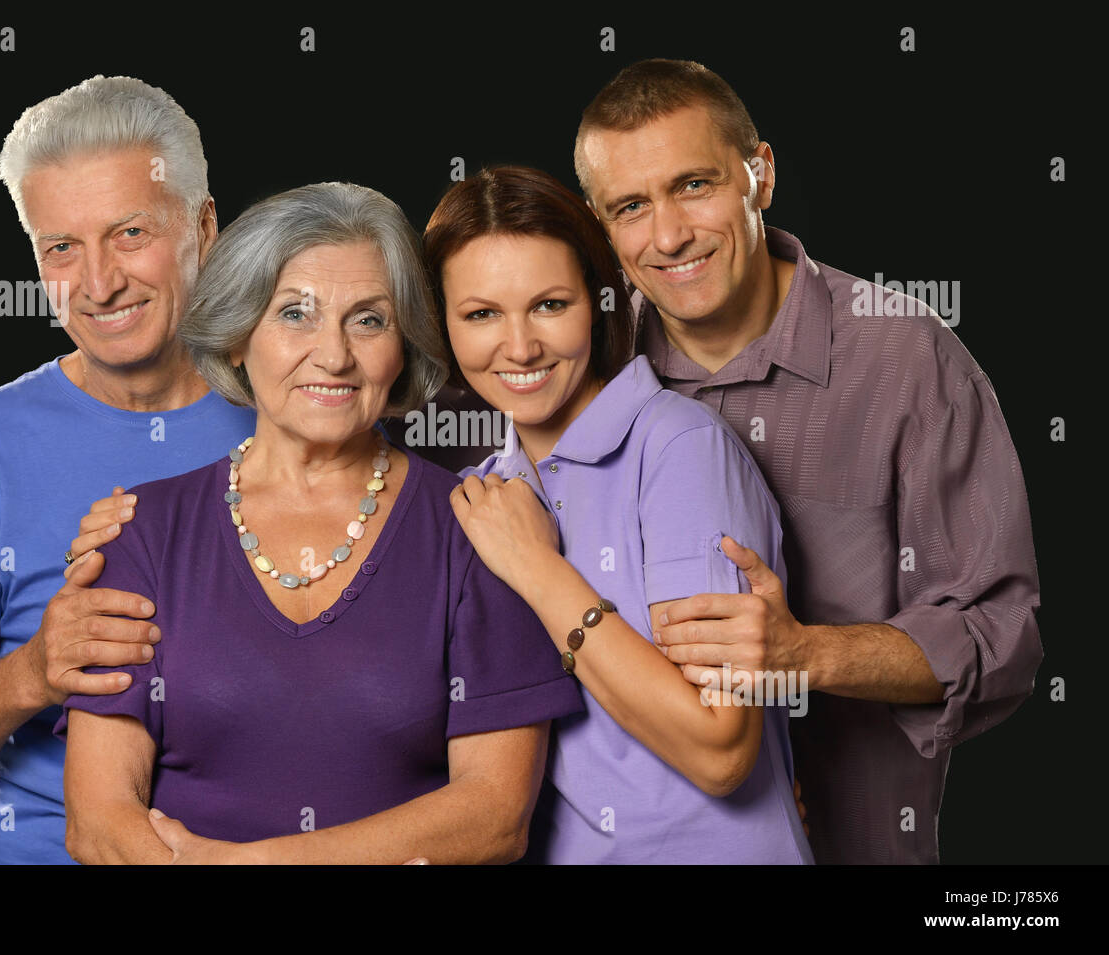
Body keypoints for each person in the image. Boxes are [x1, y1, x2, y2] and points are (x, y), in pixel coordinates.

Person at [574, 59, 1042, 863]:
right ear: (597, 223)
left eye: (694, 185)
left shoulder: (907, 358)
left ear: (760, 174)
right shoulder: (580, 369)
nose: (668, 234)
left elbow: (1002, 636)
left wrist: (805, 654)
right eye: (630, 206)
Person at [55, 181, 584, 864]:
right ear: (240, 337)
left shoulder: (480, 531)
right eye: (295, 314)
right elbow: (98, 820)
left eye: (369, 319)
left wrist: (260, 864)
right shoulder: (140, 532)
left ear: (403, 353)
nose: (333, 355)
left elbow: (493, 817)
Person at [0, 76, 257, 864]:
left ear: (204, 225)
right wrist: (32, 672)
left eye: (129, 233)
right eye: (61, 248)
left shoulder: (302, 410)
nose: (98, 283)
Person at [430, 165, 812, 863]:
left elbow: (720, 746)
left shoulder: (679, 448)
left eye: (549, 304)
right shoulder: (480, 496)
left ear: (600, 303)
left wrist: (537, 568)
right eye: (481, 313)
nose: (519, 346)